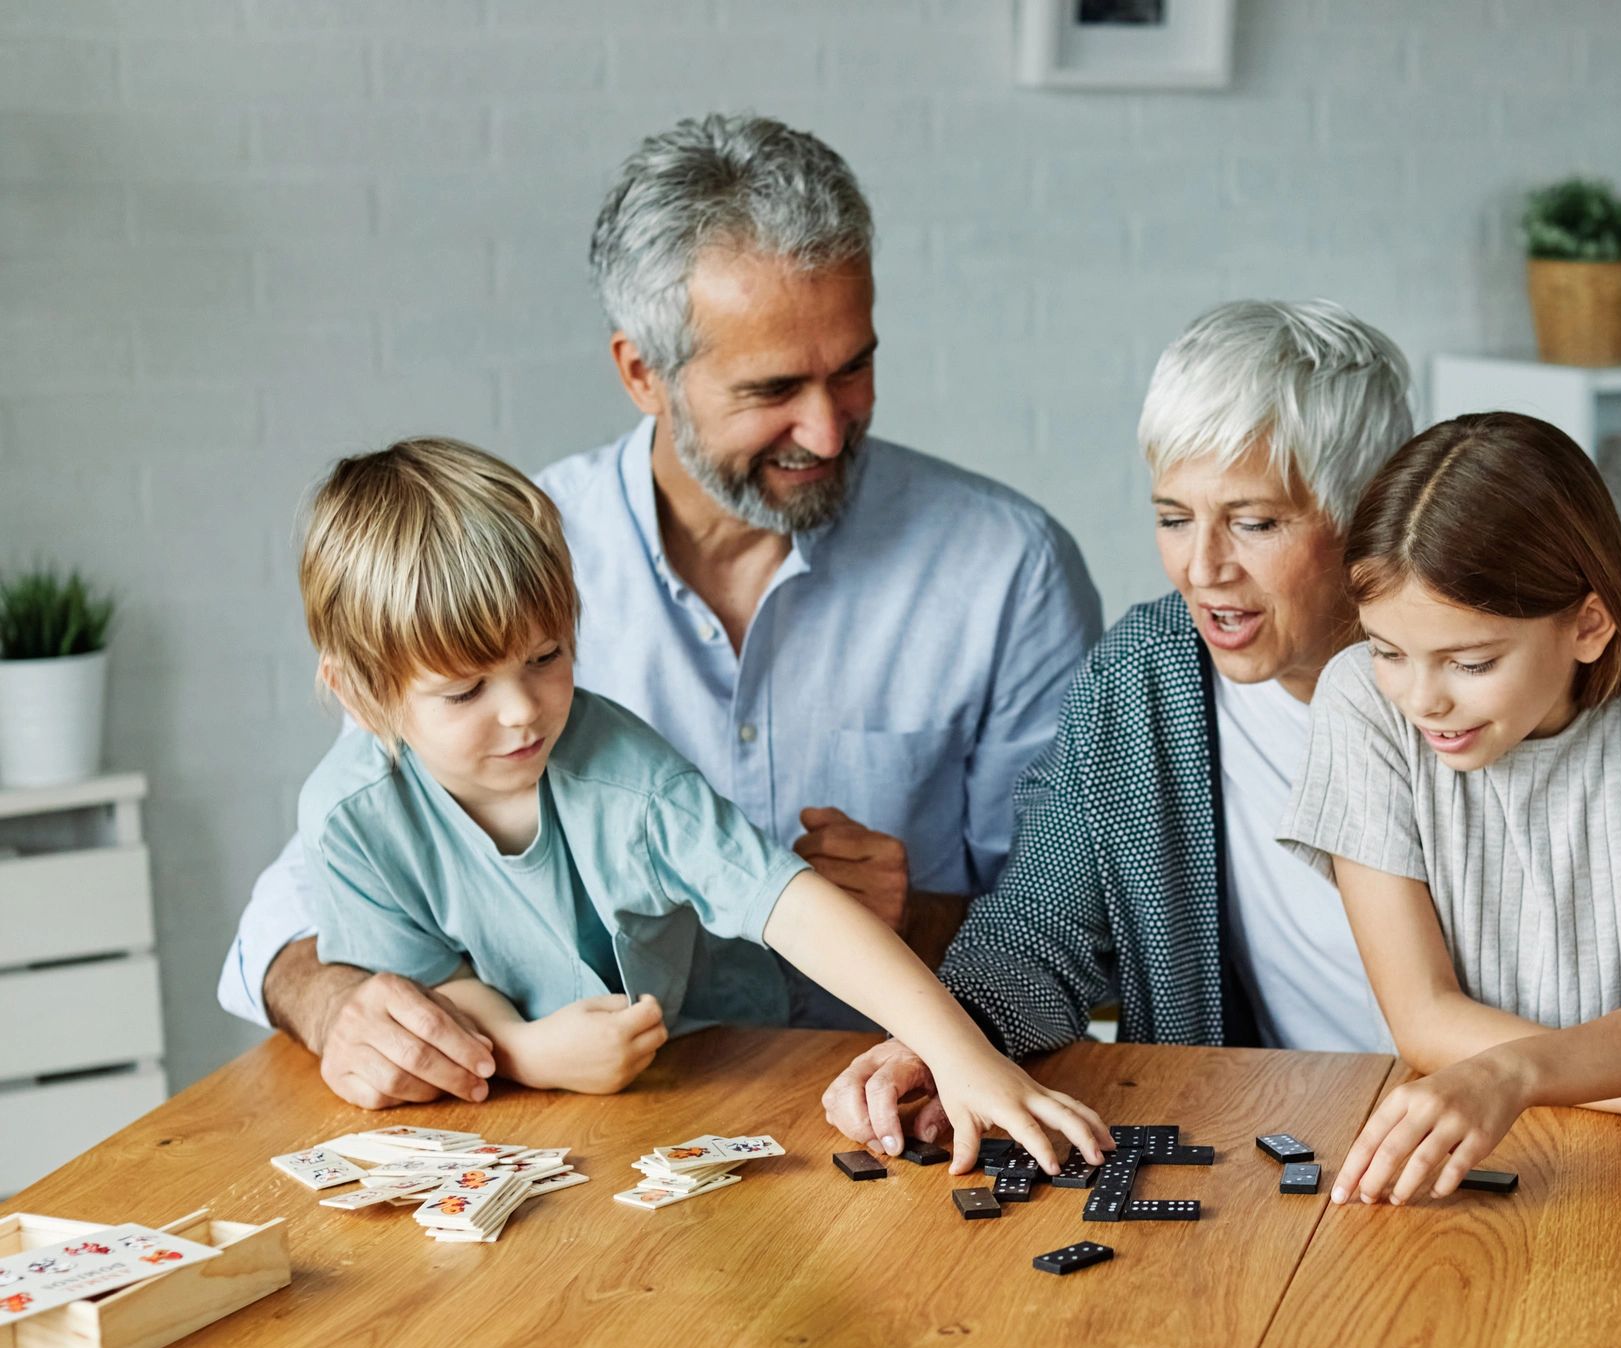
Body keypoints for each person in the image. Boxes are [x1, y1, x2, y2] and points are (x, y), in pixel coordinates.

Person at [219, 114, 1101, 1110]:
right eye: (772, 387)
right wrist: (336, 998)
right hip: (590, 1124)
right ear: (641, 371)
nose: (825, 424)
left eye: (851, 367)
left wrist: (925, 918)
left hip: (887, 1100)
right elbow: (317, 889)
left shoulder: (1006, 567)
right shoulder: (508, 564)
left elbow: (1077, 910)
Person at [293, 436, 1108, 1172]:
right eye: (465, 690)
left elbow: (796, 908)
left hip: (723, 1064)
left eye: (546, 656)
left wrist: (962, 1055)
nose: (522, 711)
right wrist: (523, 1051)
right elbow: (428, 971)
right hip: (521, 1116)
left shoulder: (627, 774)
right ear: (361, 698)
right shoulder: (348, 818)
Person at [822, 300, 1416, 1154]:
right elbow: (1039, 927)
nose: (1202, 568)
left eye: (1253, 522)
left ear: (1370, 512)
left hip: (1497, 1126)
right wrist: (940, 1045)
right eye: (1174, 517)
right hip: (1275, 1140)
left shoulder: (1472, 687)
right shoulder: (1144, 675)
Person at [1276, 411, 1621, 1208]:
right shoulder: (1359, 705)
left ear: (1587, 622)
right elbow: (1422, 1016)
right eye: (1387, 650)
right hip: (1489, 1149)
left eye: (1471, 662)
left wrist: (1513, 1074)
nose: (1422, 698)